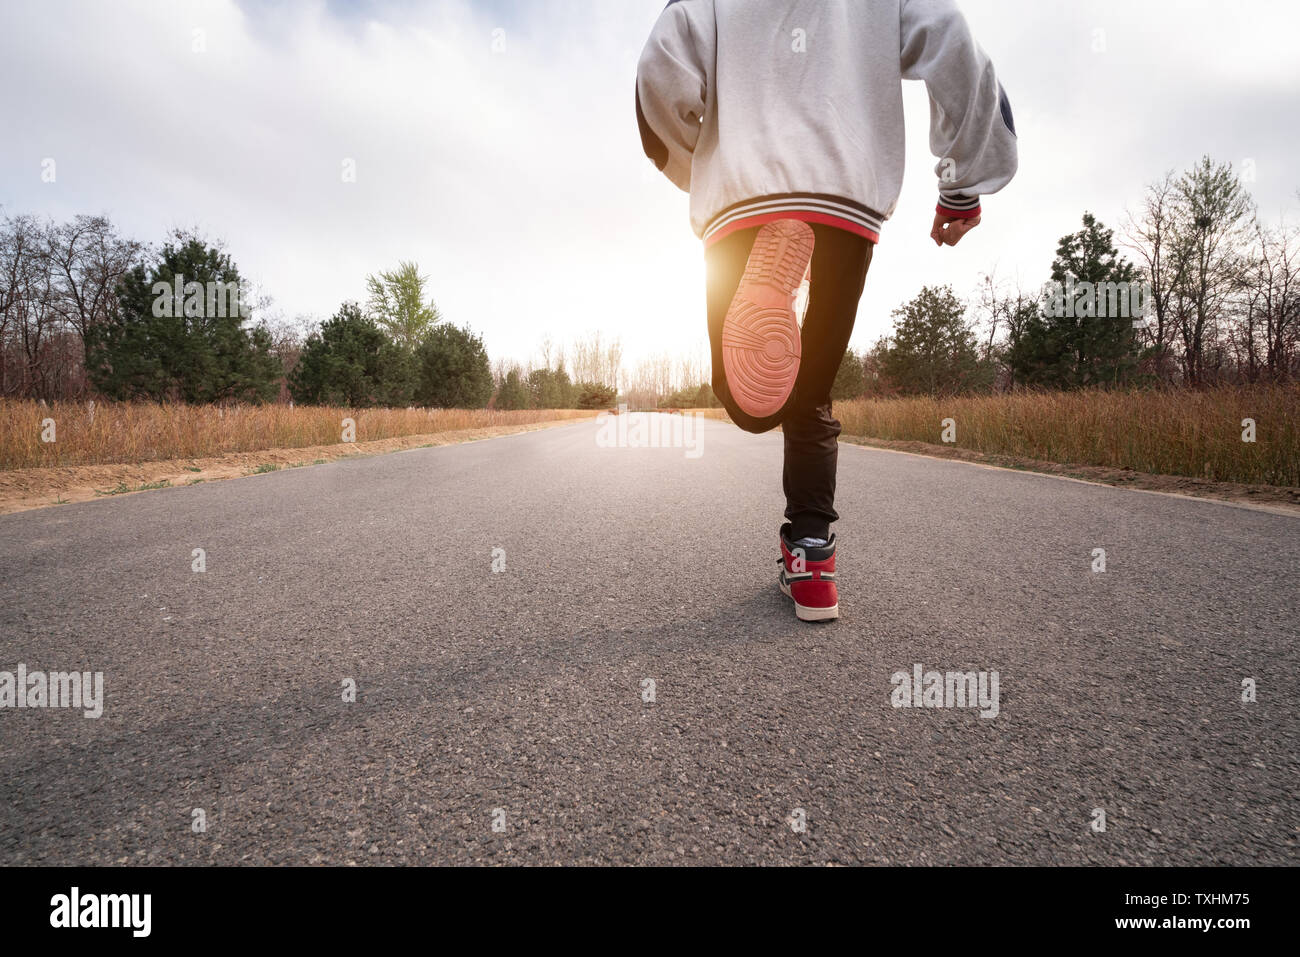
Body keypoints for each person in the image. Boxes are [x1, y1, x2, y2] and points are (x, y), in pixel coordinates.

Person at [635, 0, 1018, 621]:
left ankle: (770, 284)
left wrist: (700, 163)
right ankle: (812, 558)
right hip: (845, 194)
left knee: (747, 400)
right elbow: (952, 40)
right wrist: (964, 180)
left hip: (744, 196)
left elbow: (661, 68)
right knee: (812, 391)